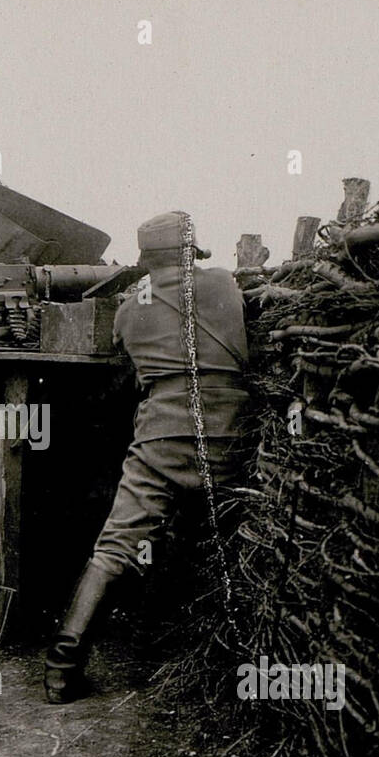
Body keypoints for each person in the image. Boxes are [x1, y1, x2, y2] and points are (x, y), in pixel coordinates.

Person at [42, 211, 250, 703]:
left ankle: (61, 665)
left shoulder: (129, 307)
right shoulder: (222, 282)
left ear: (145, 259)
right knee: (237, 533)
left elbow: (126, 364)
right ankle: (229, 662)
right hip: (229, 434)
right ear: (190, 253)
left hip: (161, 436)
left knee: (115, 547)